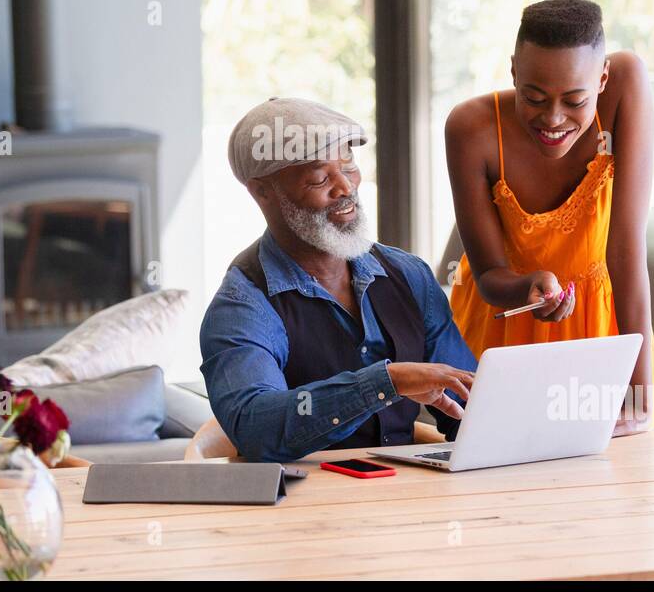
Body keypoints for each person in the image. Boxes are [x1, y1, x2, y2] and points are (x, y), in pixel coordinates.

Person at [200, 97, 478, 462]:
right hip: (305, 510)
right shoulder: (242, 306)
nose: (345, 187)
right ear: (262, 191)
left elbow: (466, 400)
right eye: (319, 177)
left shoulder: (409, 276)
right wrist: (386, 382)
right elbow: (256, 428)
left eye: (349, 165)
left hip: (411, 501)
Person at [445, 0, 654, 432]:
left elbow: (625, 252)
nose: (553, 119)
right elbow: (488, 276)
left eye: (575, 101)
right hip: (504, 331)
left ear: (601, 80)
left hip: (600, 331)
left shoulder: (625, 86)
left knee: (617, 487)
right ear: (513, 73)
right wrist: (528, 287)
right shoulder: (471, 130)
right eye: (534, 97)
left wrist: (638, 396)